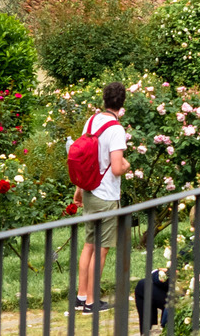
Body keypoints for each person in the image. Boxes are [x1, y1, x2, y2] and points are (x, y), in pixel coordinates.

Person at [75, 82, 129, 315]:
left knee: (89, 245)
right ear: (122, 103)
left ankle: (81, 297)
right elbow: (117, 168)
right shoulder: (116, 129)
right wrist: (127, 165)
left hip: (89, 191)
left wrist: (78, 190)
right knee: (102, 249)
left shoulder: (91, 121)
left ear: (104, 100)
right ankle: (92, 302)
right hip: (106, 196)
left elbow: (83, 159)